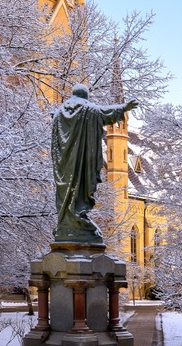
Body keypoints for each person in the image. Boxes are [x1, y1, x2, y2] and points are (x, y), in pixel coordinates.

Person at [50, 84, 139, 244]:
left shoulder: (59, 114)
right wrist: (124, 108)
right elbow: (105, 113)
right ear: (85, 97)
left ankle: (67, 223)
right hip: (81, 165)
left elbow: (55, 125)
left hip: (64, 168)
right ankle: (77, 221)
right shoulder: (87, 110)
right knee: (80, 190)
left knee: (66, 194)